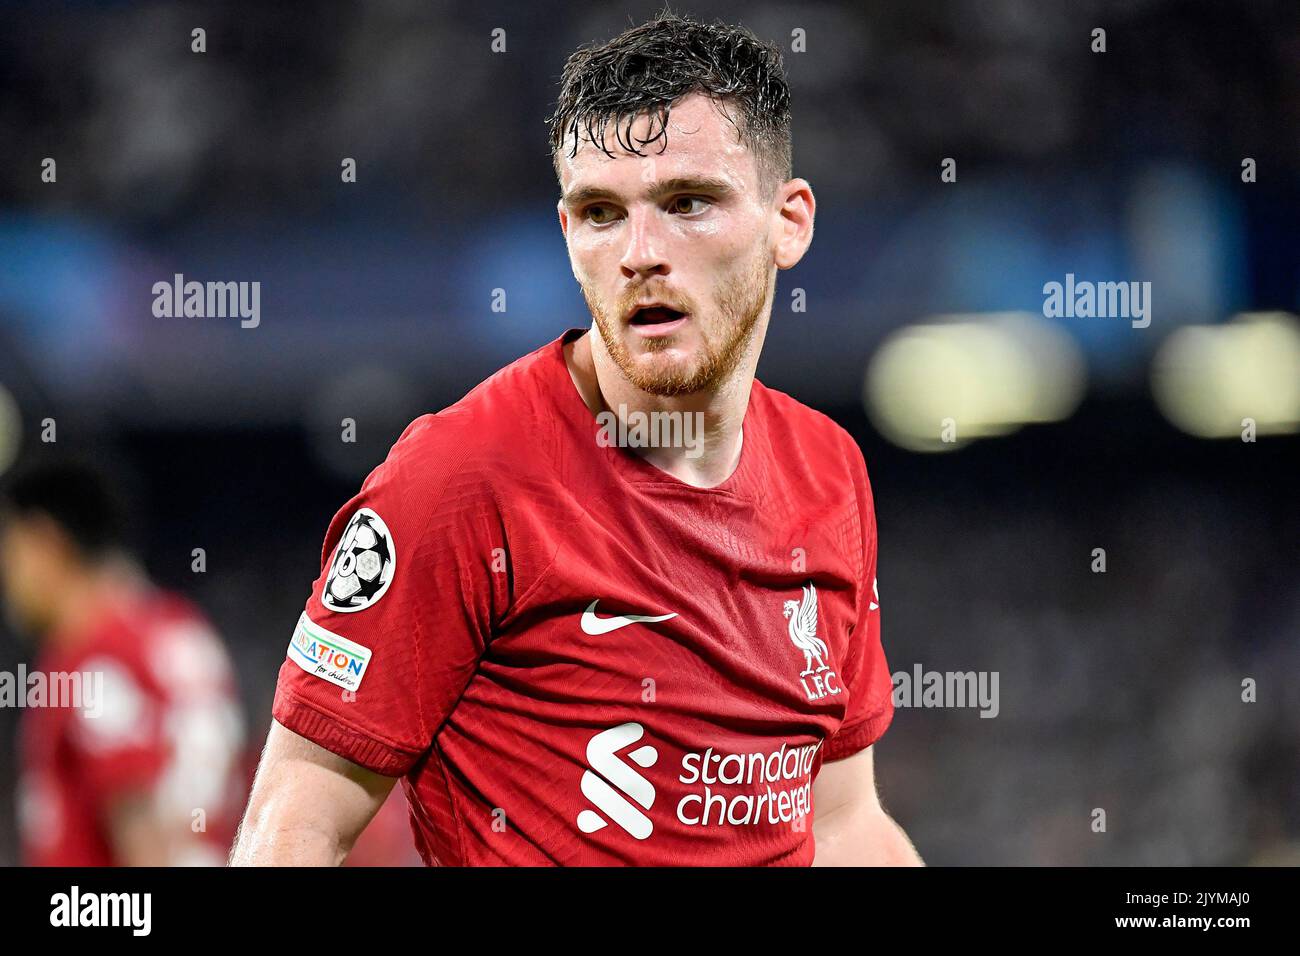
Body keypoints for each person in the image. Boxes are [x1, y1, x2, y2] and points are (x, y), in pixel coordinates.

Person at [232, 12, 921, 866]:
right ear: (568, 236)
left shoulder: (830, 471)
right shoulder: (459, 479)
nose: (640, 253)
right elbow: (291, 828)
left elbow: (846, 821)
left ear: (790, 221)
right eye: (601, 212)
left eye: (687, 203)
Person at [0, 457, 245, 865]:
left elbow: (136, 813)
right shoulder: (179, 625)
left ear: (46, 542)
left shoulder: (94, 654)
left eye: (10, 551)